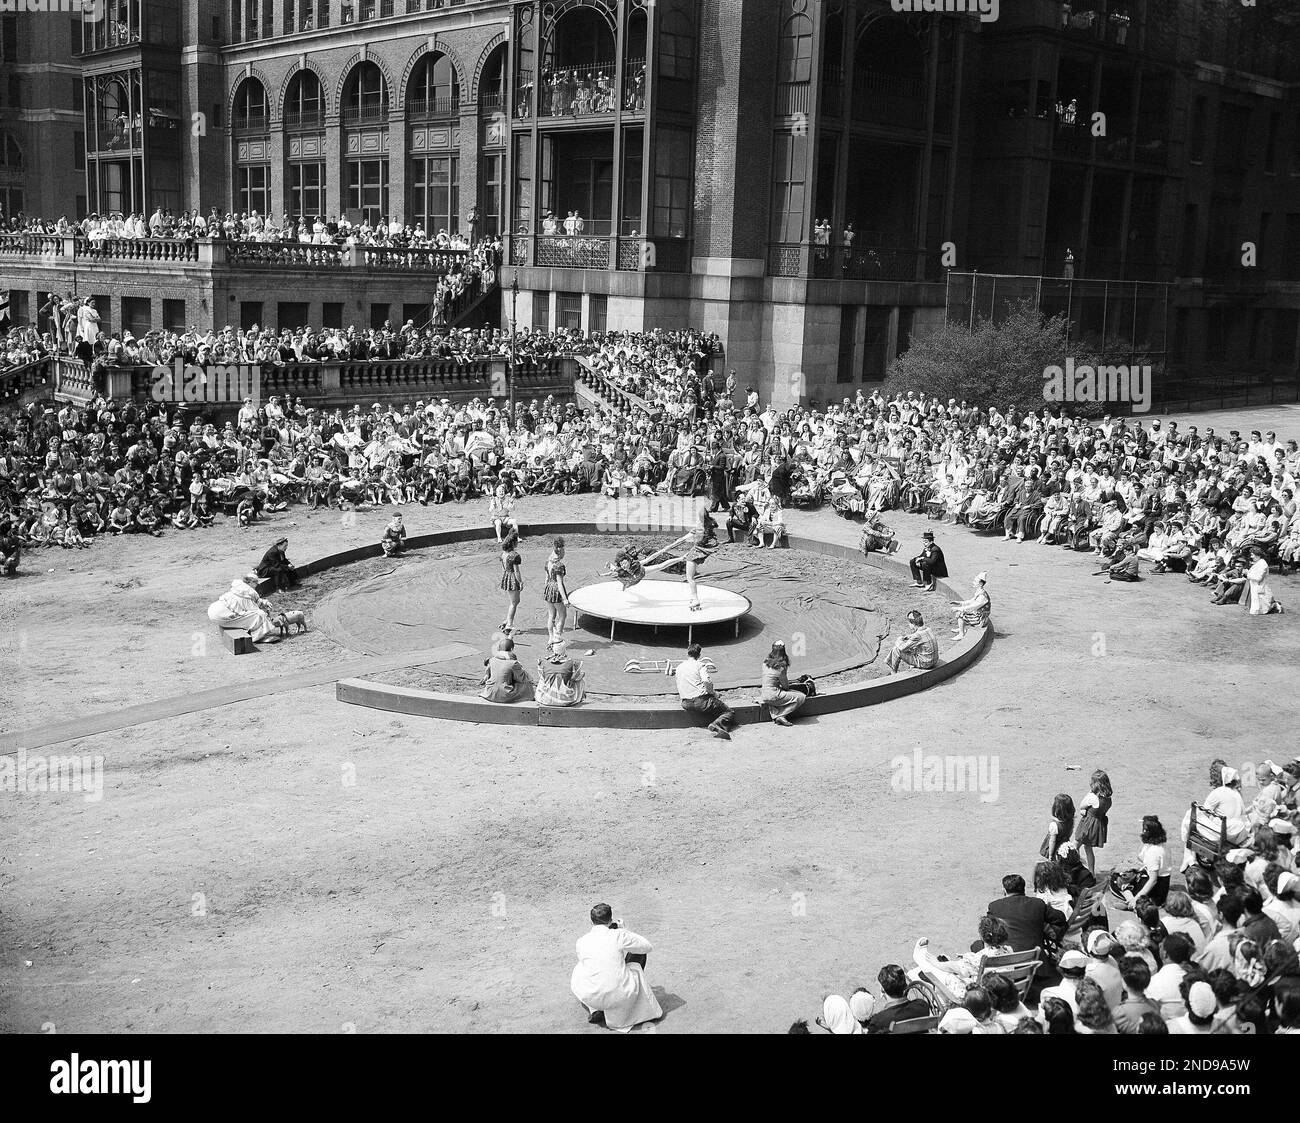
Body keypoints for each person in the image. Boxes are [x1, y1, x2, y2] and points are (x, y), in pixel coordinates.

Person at [570, 903, 663, 1032]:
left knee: (580, 969)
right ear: (610, 920)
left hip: (593, 996)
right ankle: (628, 1007)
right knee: (637, 956)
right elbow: (647, 946)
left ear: (591, 922)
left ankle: (596, 1009)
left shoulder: (581, 941)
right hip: (618, 996)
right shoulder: (618, 935)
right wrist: (624, 930)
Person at [674, 642, 735, 740]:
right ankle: (717, 725)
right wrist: (713, 693)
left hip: (685, 702)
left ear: (687, 654)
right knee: (728, 711)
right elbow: (706, 681)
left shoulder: (679, 667)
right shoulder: (700, 665)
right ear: (699, 655)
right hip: (700, 700)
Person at [206, 573, 278, 643]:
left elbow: (250, 600)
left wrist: (264, 602)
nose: (258, 584)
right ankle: (258, 637)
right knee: (260, 615)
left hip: (213, 611)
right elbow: (253, 608)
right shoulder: (249, 591)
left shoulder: (240, 586)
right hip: (222, 616)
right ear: (251, 582)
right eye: (256, 582)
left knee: (253, 614)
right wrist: (265, 611)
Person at [1069, 768, 1113, 874]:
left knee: (1075, 846)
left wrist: (1084, 808)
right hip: (1097, 824)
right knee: (1088, 849)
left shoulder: (1092, 797)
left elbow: (1082, 805)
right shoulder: (1107, 798)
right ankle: (1091, 872)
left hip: (1087, 825)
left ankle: (1075, 869)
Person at [759, 640, 808, 727]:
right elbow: (785, 686)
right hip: (773, 696)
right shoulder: (782, 666)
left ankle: (777, 714)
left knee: (779, 694)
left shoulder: (765, 662)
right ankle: (781, 715)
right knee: (801, 697)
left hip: (764, 694)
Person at [479, 635, 533, 703]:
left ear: (499, 648)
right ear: (511, 649)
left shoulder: (492, 660)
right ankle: (529, 697)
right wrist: (520, 667)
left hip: (489, 693)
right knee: (526, 683)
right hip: (504, 695)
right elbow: (523, 678)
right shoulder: (513, 663)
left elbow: (488, 673)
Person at [535, 639, 585, 707]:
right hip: (566, 699)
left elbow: (541, 676)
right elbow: (576, 678)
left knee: (542, 678)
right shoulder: (573, 663)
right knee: (580, 679)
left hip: (545, 699)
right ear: (565, 649)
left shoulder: (542, 662)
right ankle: (578, 697)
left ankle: (546, 694)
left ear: (552, 649)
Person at [542, 536, 570, 647]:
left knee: (551, 616)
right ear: (561, 550)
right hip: (556, 590)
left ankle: (550, 638)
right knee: (562, 615)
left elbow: (546, 579)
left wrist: (546, 591)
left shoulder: (548, 562)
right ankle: (557, 638)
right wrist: (565, 599)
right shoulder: (559, 565)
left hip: (548, 588)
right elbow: (559, 583)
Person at [950, 572, 991, 638]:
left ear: (980, 583)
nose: (973, 582)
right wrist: (959, 603)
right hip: (979, 614)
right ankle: (961, 628)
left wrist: (958, 608)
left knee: (960, 613)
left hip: (981, 619)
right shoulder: (979, 591)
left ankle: (961, 634)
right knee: (963, 609)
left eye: (975, 581)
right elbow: (971, 601)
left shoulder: (982, 596)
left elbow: (973, 606)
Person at [1243, 546, 1283, 615]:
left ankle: (1275, 605)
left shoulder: (1263, 564)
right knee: (1256, 607)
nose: (1251, 556)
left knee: (1261, 608)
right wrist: (1247, 572)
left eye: (1252, 555)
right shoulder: (1257, 563)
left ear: (1257, 555)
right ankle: (1273, 604)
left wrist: (1247, 575)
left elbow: (1259, 578)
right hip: (1254, 585)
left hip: (1260, 585)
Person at [498, 529, 524, 635]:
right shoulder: (514, 555)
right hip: (513, 578)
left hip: (507, 576)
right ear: (513, 542)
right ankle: (509, 625)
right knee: (514, 603)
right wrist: (521, 582)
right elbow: (517, 571)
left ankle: (507, 620)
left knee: (514, 602)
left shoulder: (504, 554)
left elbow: (504, 567)